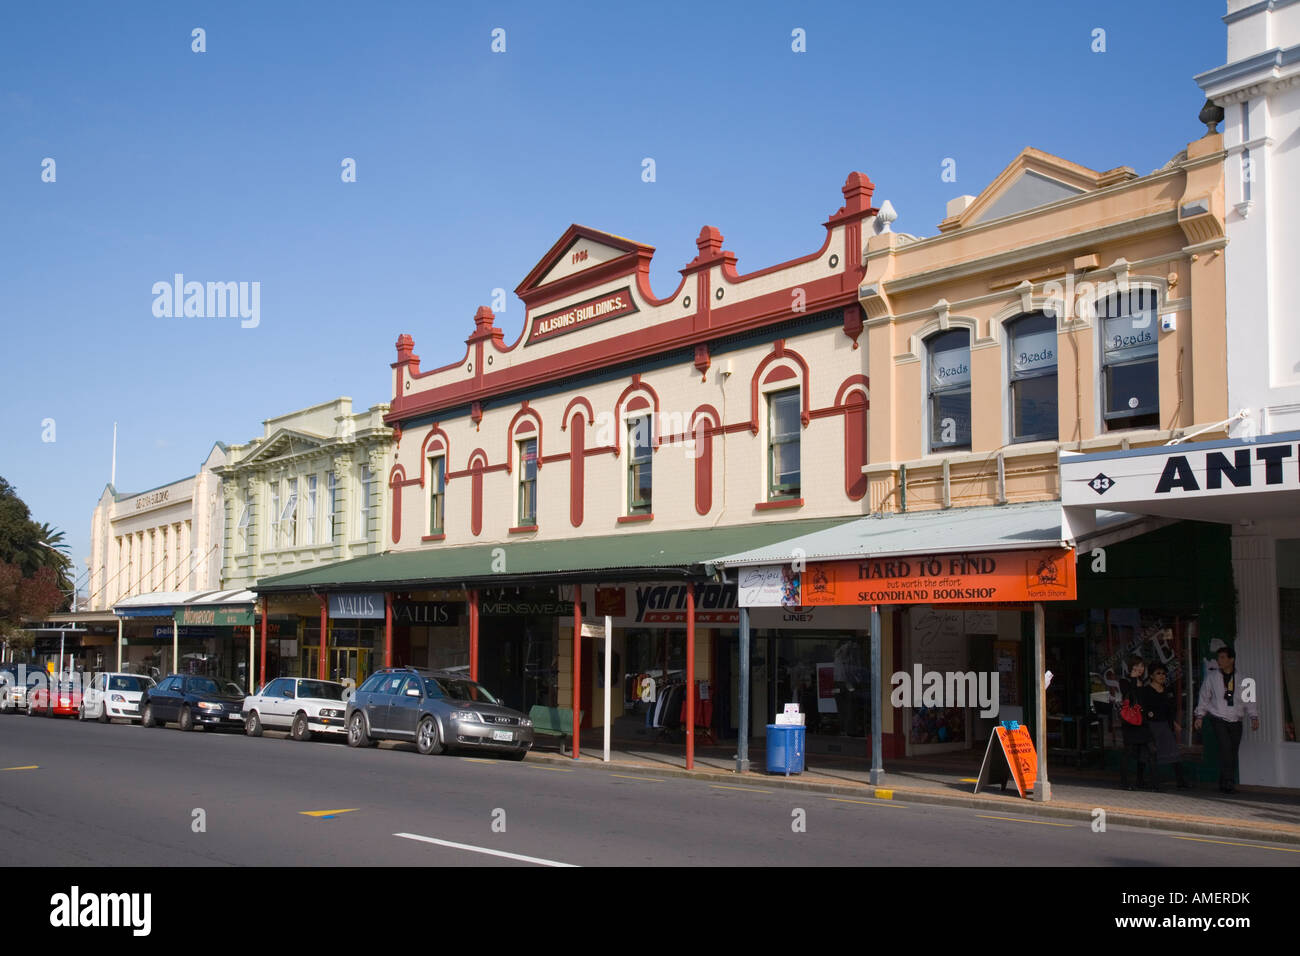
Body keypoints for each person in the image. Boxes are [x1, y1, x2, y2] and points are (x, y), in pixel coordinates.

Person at [1194, 646, 1260, 793]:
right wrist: (1200, 716)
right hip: (1218, 718)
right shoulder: (1211, 678)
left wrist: (1253, 717)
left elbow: (1250, 701)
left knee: (1232, 750)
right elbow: (1204, 697)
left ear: (1232, 659)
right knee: (1225, 748)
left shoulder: (1244, 680)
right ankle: (1229, 782)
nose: (1220, 661)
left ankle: (1224, 780)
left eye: (1223, 657)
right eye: (1219, 658)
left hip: (1236, 719)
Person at [1141, 662, 1188, 790]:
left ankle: (1181, 781)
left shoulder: (1167, 691)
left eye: (1163, 673)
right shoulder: (1146, 691)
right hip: (1151, 726)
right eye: (1158, 673)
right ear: (1151, 675)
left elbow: (1169, 710)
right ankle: (1152, 782)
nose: (1162, 675)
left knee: (1173, 752)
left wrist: (1174, 723)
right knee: (1151, 754)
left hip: (1164, 725)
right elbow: (1143, 709)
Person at [1118, 656, 1152, 791]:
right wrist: (1132, 678)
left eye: (1142, 666)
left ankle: (1140, 780)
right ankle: (1124, 781)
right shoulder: (1124, 681)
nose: (1140, 669)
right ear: (1131, 667)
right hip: (1130, 721)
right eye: (1136, 666)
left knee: (1143, 750)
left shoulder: (1143, 682)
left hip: (1142, 721)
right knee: (1128, 751)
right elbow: (1128, 694)